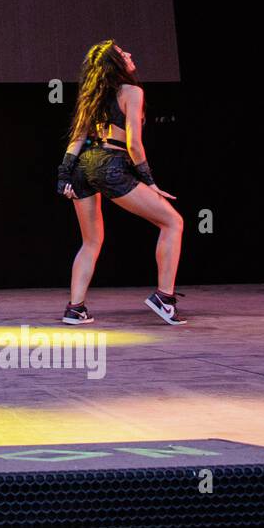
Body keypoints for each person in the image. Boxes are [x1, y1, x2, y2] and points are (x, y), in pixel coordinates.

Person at [56, 40, 185, 325]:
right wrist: (149, 181)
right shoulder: (132, 92)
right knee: (173, 222)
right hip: (110, 165)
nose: (129, 54)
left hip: (83, 166)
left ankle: (75, 308)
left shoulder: (92, 96)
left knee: (91, 241)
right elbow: (134, 144)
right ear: (116, 65)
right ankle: (164, 297)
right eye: (123, 53)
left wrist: (64, 175)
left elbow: (77, 140)